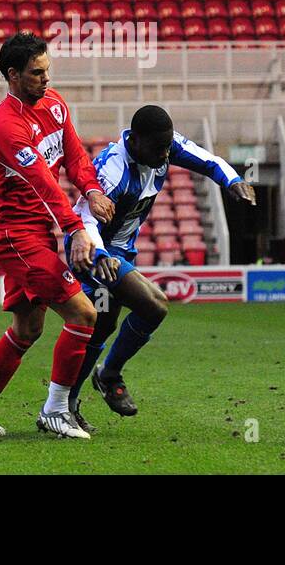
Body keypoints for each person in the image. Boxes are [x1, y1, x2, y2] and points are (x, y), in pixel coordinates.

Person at [0, 32, 114, 441]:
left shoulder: (55, 104)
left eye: (47, 70)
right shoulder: (7, 126)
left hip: (37, 233)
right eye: (36, 73)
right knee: (84, 314)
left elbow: (75, 156)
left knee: (27, 330)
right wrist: (76, 229)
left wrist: (91, 189)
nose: (46, 78)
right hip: (15, 236)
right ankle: (56, 411)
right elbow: (44, 183)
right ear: (13, 75)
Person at [64, 105, 255, 432]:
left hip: (121, 251)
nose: (166, 155)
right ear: (135, 141)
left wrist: (232, 181)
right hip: (94, 252)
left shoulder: (163, 148)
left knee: (103, 325)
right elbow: (83, 218)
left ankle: (72, 399)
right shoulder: (112, 169)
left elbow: (207, 160)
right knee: (153, 306)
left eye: (169, 148)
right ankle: (104, 378)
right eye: (159, 149)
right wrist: (99, 257)